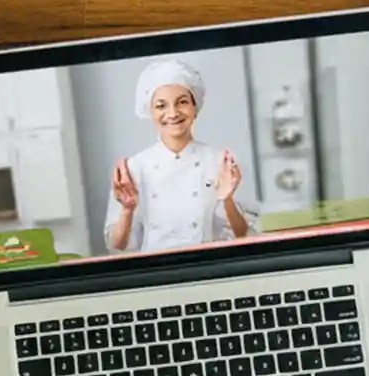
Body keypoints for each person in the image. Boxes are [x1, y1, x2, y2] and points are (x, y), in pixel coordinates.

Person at [105, 58, 256, 253]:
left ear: (196, 107)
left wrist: (226, 199)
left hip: (207, 265)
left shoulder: (219, 161)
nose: (173, 113)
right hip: (156, 271)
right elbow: (116, 246)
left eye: (182, 102)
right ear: (150, 112)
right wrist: (127, 210)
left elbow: (243, 235)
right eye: (161, 106)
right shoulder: (134, 168)